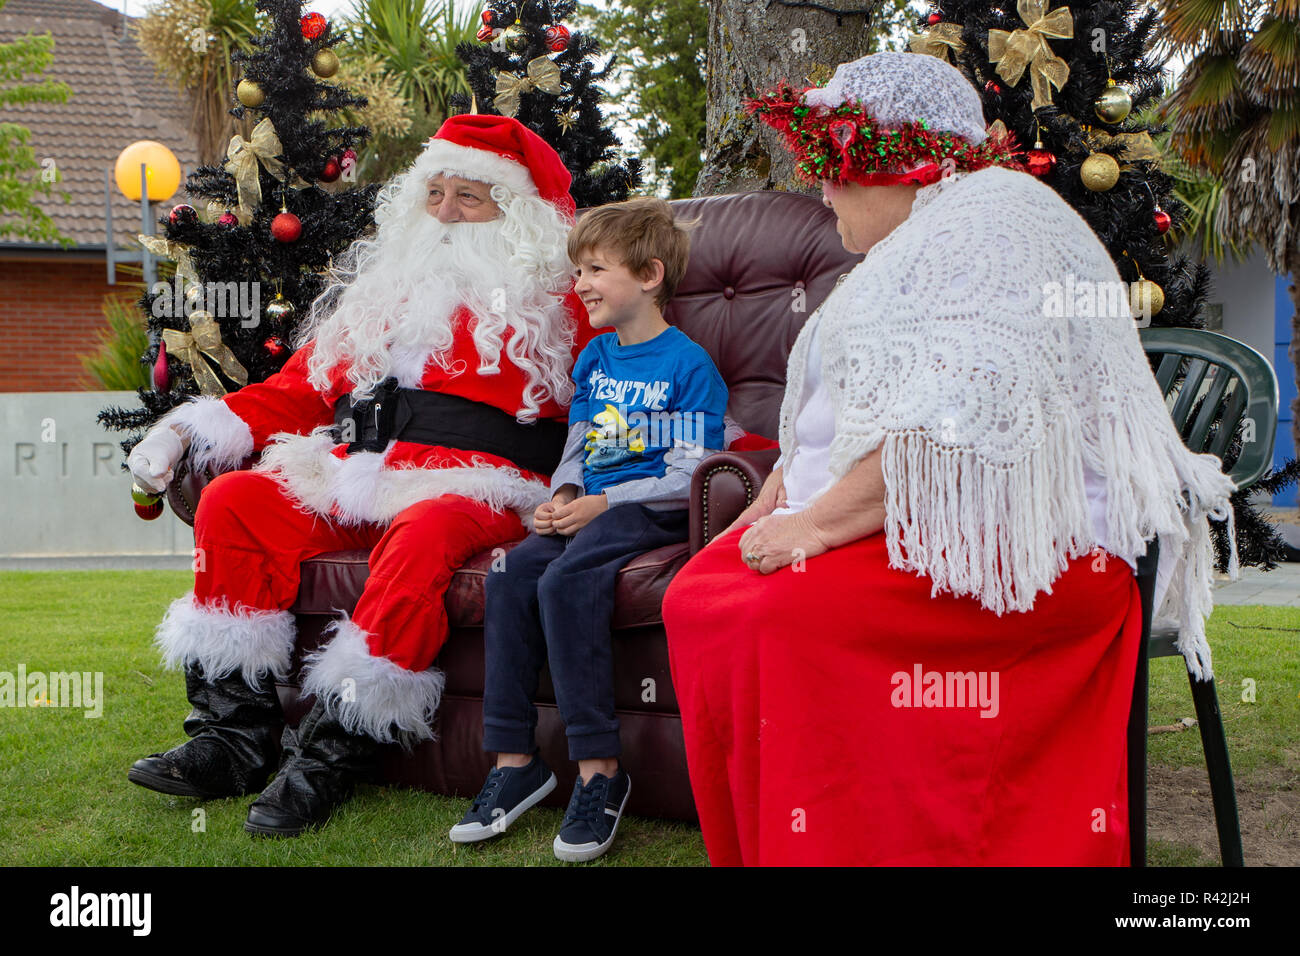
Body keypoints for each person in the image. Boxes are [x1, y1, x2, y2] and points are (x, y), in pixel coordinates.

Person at [660, 52, 1238, 866]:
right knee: (702, 596)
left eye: (834, 169)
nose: (821, 192)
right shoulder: (910, 247)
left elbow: (954, 423)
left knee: (777, 615)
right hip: (934, 529)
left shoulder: (992, 221)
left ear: (896, 161)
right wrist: (768, 513)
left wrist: (817, 528)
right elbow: (829, 430)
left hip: (1039, 557)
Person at [124, 113, 604, 837]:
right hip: (351, 470)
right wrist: (190, 426)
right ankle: (233, 739)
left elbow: (630, 385)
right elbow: (299, 391)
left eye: (469, 198)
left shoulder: (564, 300)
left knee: (425, 529)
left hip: (480, 481)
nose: (444, 213)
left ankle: (328, 756)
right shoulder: (379, 293)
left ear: (518, 215)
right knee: (236, 500)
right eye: (434, 193)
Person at [448, 198, 727, 861]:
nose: (581, 285)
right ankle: (515, 762)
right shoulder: (597, 360)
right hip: (592, 502)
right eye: (578, 271)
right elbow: (578, 445)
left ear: (650, 274)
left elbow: (688, 471)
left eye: (596, 269)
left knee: (569, 579)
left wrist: (603, 505)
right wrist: (565, 494)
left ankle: (601, 773)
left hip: (647, 510)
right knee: (514, 572)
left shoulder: (688, 366)